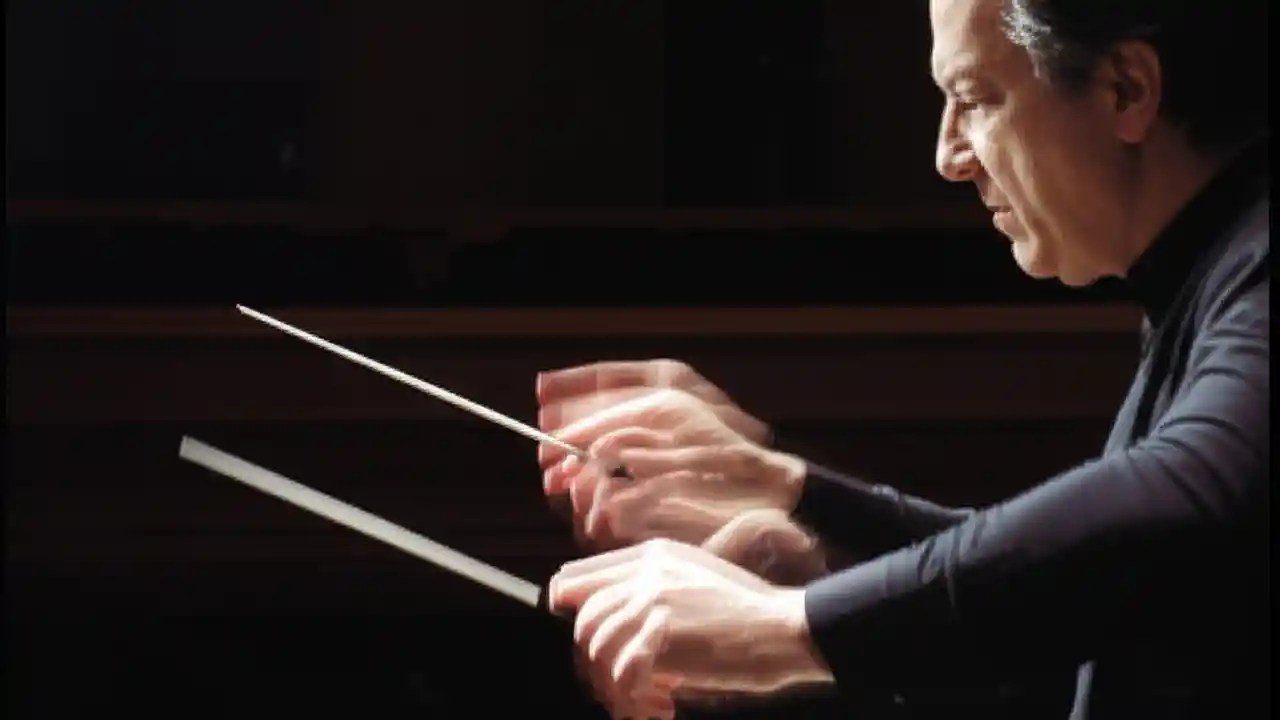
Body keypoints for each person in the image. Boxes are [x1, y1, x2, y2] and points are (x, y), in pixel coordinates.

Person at [537, 0, 1270, 718]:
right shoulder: (1214, 269)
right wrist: (793, 501)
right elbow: (1102, 611)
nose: (948, 157)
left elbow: (1188, 501)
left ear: (1126, 90)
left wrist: (786, 627)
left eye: (975, 98)